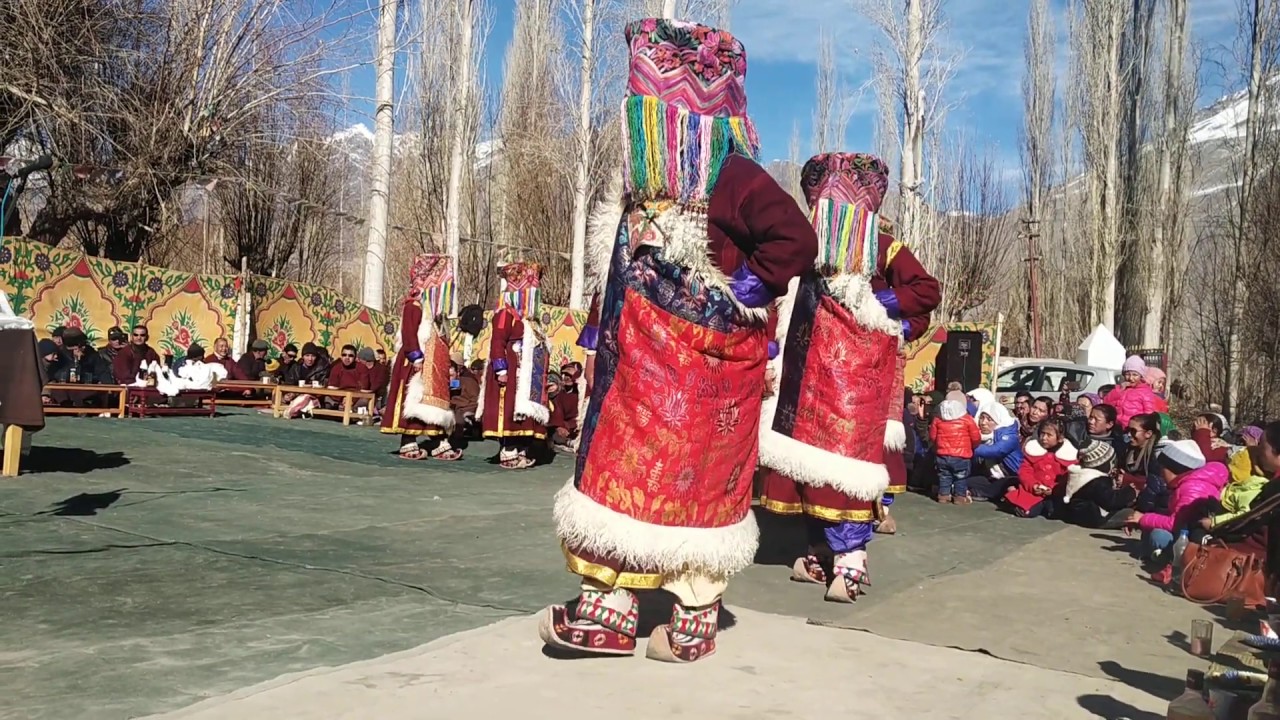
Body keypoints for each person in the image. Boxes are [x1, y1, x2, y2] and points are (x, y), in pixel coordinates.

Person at [540, 18, 817, 663]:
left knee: (704, 486)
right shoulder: (646, 188)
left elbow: (795, 242)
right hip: (637, 375)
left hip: (708, 377)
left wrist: (744, 289)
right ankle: (608, 605)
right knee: (616, 472)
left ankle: (696, 610)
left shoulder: (734, 178)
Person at [756, 152, 921, 601]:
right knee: (808, 468)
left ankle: (850, 561)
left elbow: (923, 292)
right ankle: (817, 553)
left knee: (847, 469)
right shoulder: (806, 243)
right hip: (807, 373)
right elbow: (775, 289)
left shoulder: (883, 246)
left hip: (856, 380)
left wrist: (878, 314)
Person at [380, 254, 460, 460]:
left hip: (434, 363)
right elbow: (408, 335)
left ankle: (440, 440)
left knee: (436, 400)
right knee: (413, 400)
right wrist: (416, 358)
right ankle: (408, 441)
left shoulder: (435, 313)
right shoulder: (413, 306)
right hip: (414, 362)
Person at [478, 261, 550, 470]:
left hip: (525, 374)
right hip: (510, 369)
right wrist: (501, 368)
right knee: (508, 409)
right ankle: (507, 450)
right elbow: (497, 341)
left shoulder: (529, 319)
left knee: (521, 411)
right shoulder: (505, 313)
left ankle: (520, 448)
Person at [1123, 440, 1226, 575]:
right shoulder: (1188, 484)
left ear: (1175, 469)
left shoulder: (1193, 488)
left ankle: (1171, 559)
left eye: (1163, 468)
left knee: (1158, 535)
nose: (1161, 473)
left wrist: (1143, 519)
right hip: (1186, 532)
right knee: (1152, 528)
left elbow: (1175, 523)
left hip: (1191, 539)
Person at [1004, 417, 1078, 518]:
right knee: (1027, 512)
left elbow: (1068, 478)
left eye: (1049, 435)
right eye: (1042, 433)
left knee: (1054, 513)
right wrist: (1033, 485)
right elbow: (1025, 471)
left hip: (1056, 494)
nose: (1044, 438)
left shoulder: (1069, 455)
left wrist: (1054, 489)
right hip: (1033, 492)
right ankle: (1013, 493)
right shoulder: (1033, 451)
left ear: (1060, 437)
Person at [967, 401, 1024, 501]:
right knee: (966, 481)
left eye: (989, 419)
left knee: (1005, 484)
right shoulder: (979, 436)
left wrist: (967, 448)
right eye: (982, 417)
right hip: (991, 477)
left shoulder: (1009, 436)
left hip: (1012, 476)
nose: (983, 422)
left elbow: (996, 450)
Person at [931, 395, 981, 503]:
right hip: (961, 455)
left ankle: (943, 495)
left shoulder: (938, 419)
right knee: (961, 477)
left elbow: (932, 436)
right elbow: (976, 437)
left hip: (942, 454)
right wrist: (973, 446)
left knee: (944, 476)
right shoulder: (967, 419)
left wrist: (938, 446)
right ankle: (960, 497)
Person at [1103, 355, 1166, 426]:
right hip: (1117, 427)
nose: (1130, 378)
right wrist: (1119, 390)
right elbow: (1106, 402)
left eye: (1135, 375)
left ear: (1141, 376)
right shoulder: (1120, 389)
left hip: (1133, 430)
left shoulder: (1145, 392)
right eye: (1127, 374)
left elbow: (1148, 414)